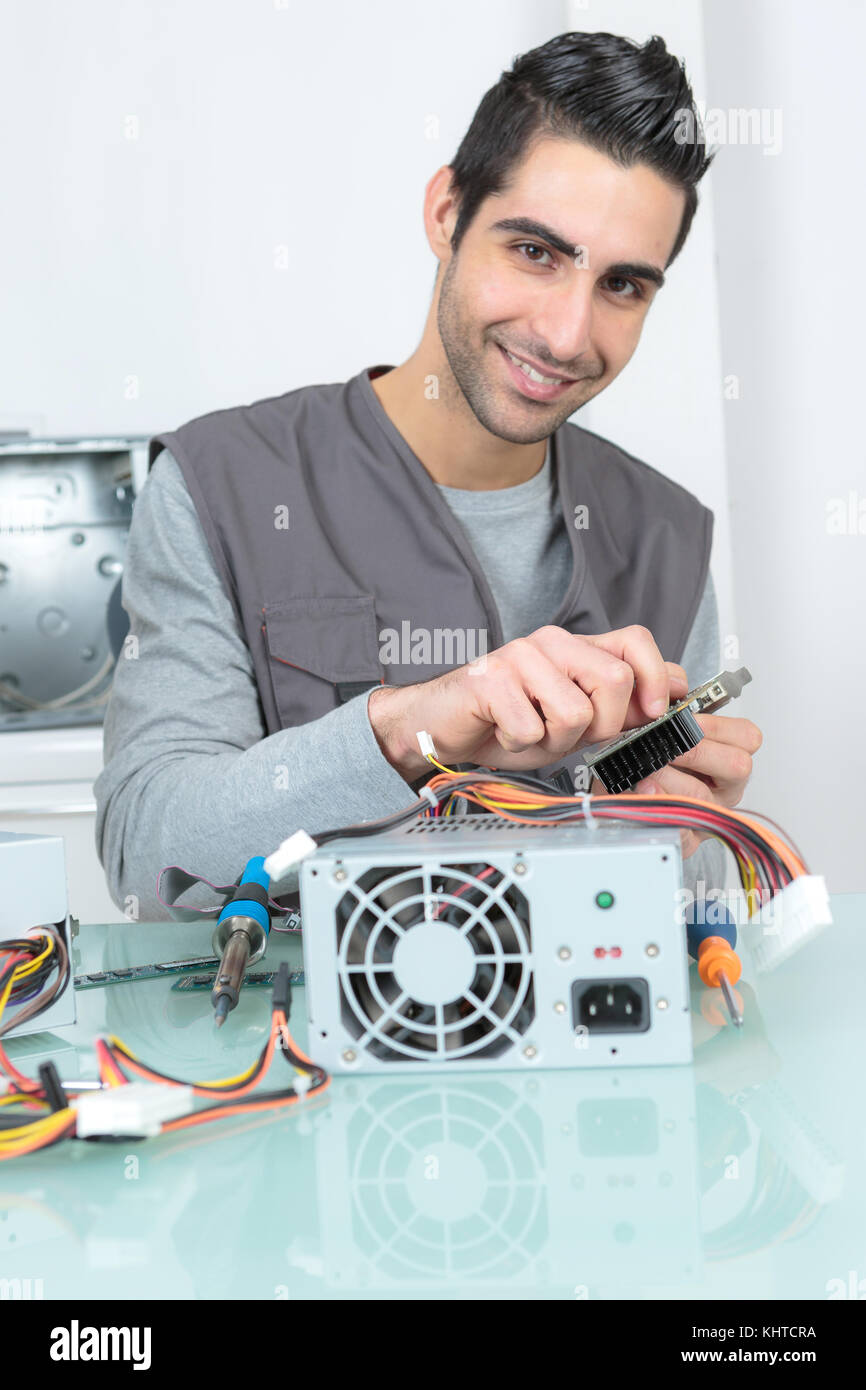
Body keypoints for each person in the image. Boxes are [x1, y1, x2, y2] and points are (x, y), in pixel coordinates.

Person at [95, 30, 762, 920]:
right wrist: (410, 728)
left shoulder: (668, 538)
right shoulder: (222, 488)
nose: (567, 335)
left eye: (623, 286)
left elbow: (692, 923)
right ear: (446, 212)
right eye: (535, 252)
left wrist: (691, 844)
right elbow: (150, 865)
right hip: (294, 1053)